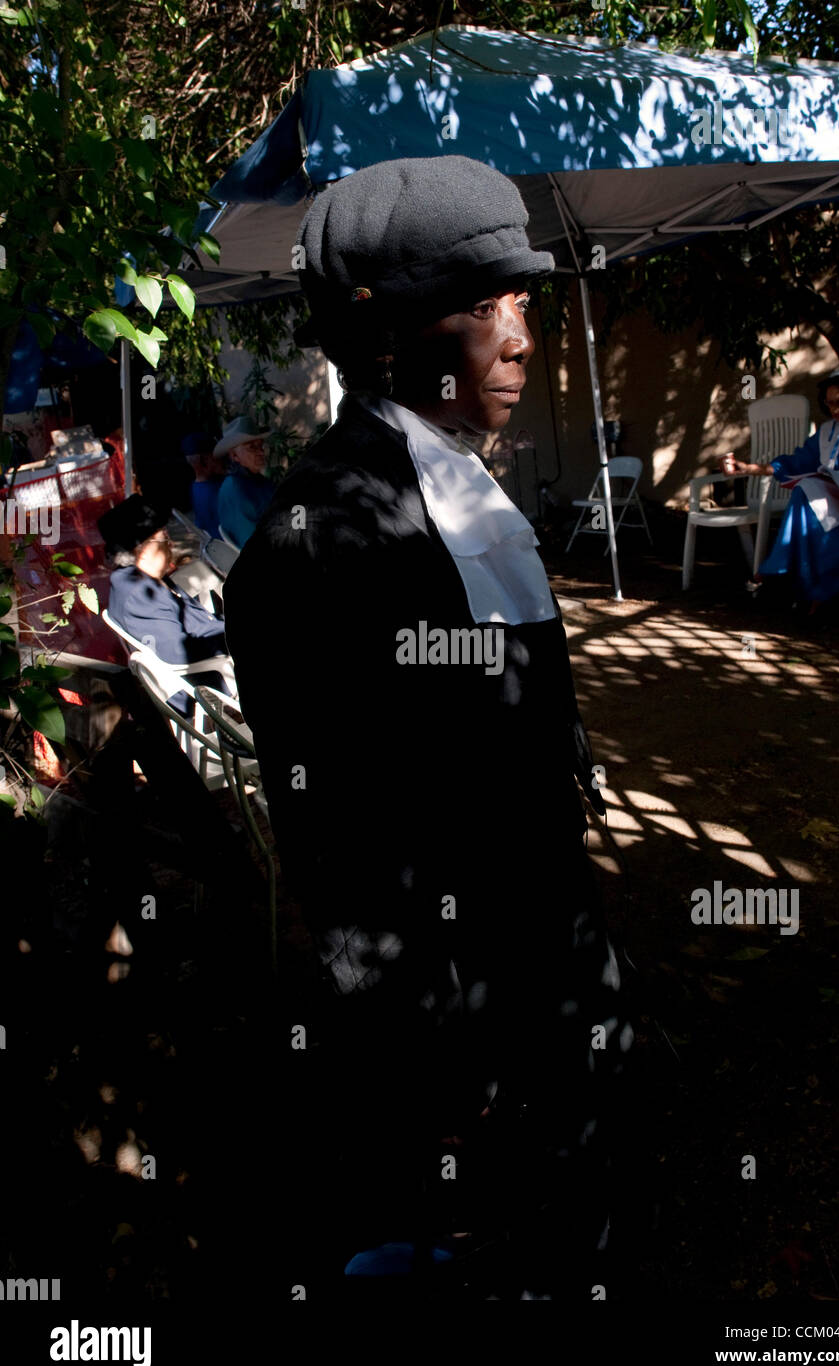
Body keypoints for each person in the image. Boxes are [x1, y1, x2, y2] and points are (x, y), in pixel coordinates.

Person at [223, 156, 631, 1298]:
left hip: (545, 946)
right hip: (463, 1005)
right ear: (395, 336)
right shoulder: (319, 546)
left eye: (524, 304)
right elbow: (341, 844)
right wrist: (436, 1042)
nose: (523, 339)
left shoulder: (468, 486)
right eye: (488, 306)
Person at [720, 368, 839, 605]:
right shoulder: (828, 431)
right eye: (830, 404)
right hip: (836, 500)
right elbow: (796, 462)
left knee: (812, 497)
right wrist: (749, 468)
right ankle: (812, 589)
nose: (836, 410)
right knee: (806, 489)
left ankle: (784, 569)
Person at [98, 494, 231, 715]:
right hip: (204, 685)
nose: (170, 544)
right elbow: (178, 652)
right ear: (140, 548)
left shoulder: (146, 581)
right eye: (164, 537)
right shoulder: (137, 595)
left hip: (213, 663)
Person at [214, 416, 276, 547]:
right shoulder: (235, 489)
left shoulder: (258, 480)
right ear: (234, 456)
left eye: (260, 446)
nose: (260, 452)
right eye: (252, 447)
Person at [180, 430, 226, 538]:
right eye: (217, 454)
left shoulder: (196, 487)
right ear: (205, 460)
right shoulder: (219, 490)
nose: (222, 459)